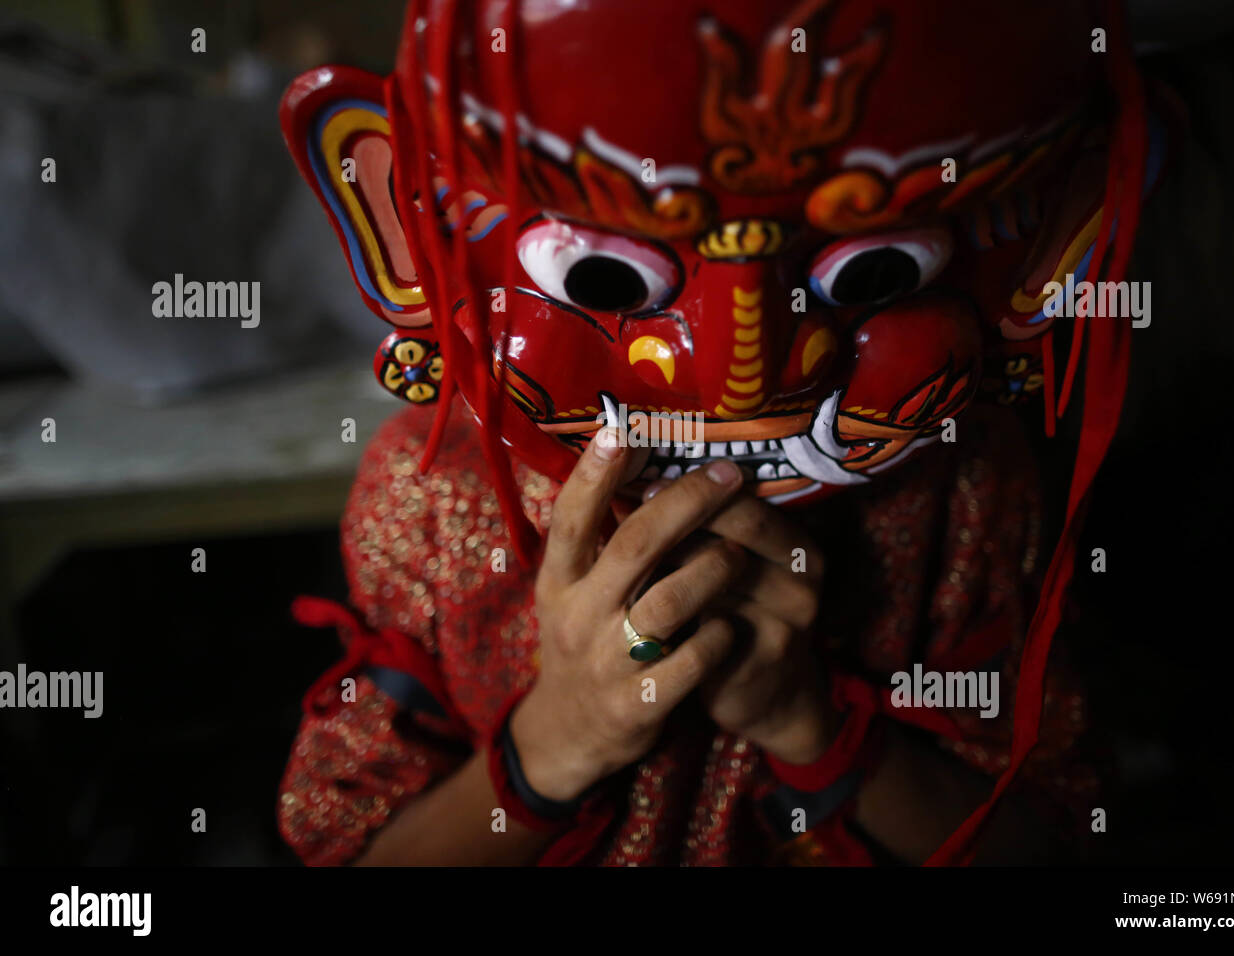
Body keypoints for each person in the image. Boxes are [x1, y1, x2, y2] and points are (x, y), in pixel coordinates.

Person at [276, 0, 1162, 865]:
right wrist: (558, 741)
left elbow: (1052, 839)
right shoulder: (433, 492)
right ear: (398, 219)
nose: (743, 375)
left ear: (1054, 245)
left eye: (873, 275)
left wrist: (808, 726)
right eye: (606, 280)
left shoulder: (966, 490)